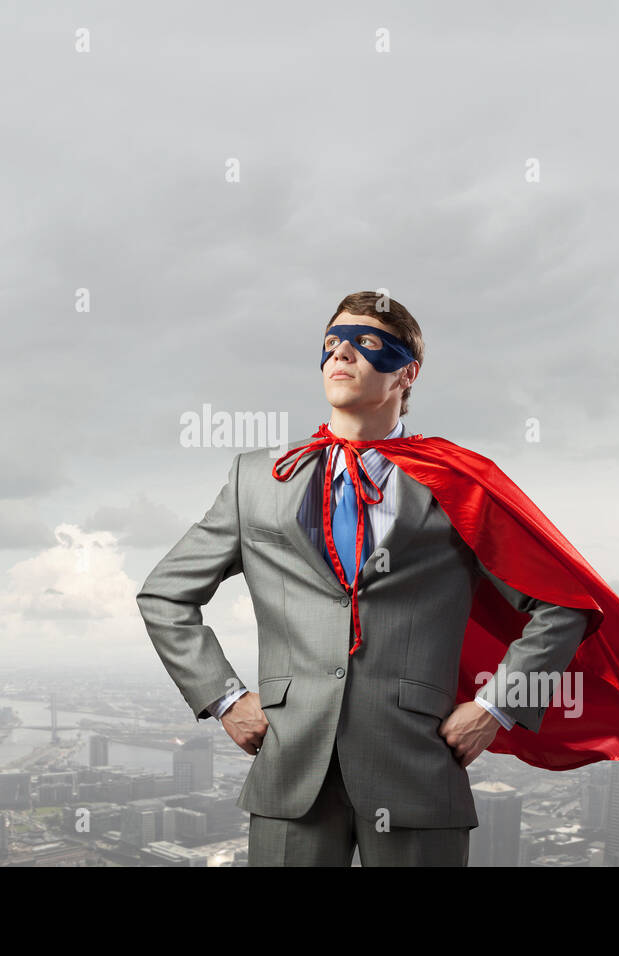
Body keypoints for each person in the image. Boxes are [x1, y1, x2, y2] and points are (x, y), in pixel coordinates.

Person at [136, 291, 591, 866]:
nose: (340, 356)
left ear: (408, 372)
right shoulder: (257, 478)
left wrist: (495, 708)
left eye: (367, 344)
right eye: (330, 345)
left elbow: (562, 603)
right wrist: (226, 699)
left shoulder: (461, 483)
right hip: (289, 767)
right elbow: (164, 594)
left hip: (419, 768)